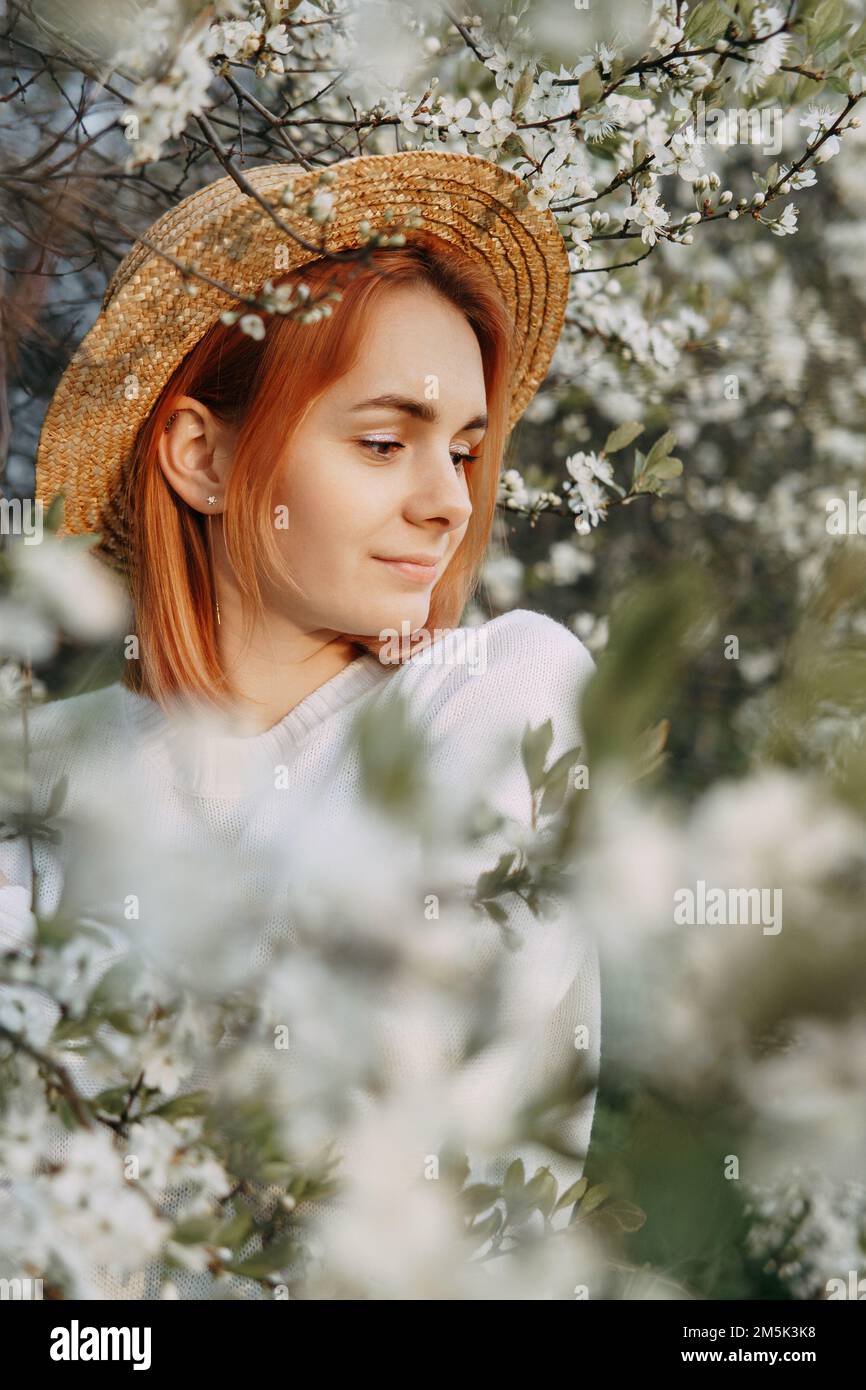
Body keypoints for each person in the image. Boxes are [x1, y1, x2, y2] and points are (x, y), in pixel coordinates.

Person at [0, 150, 600, 1299]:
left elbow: (376, 1086)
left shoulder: (506, 689)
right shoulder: (43, 771)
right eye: (385, 442)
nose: (449, 499)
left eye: (465, 450)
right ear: (204, 454)